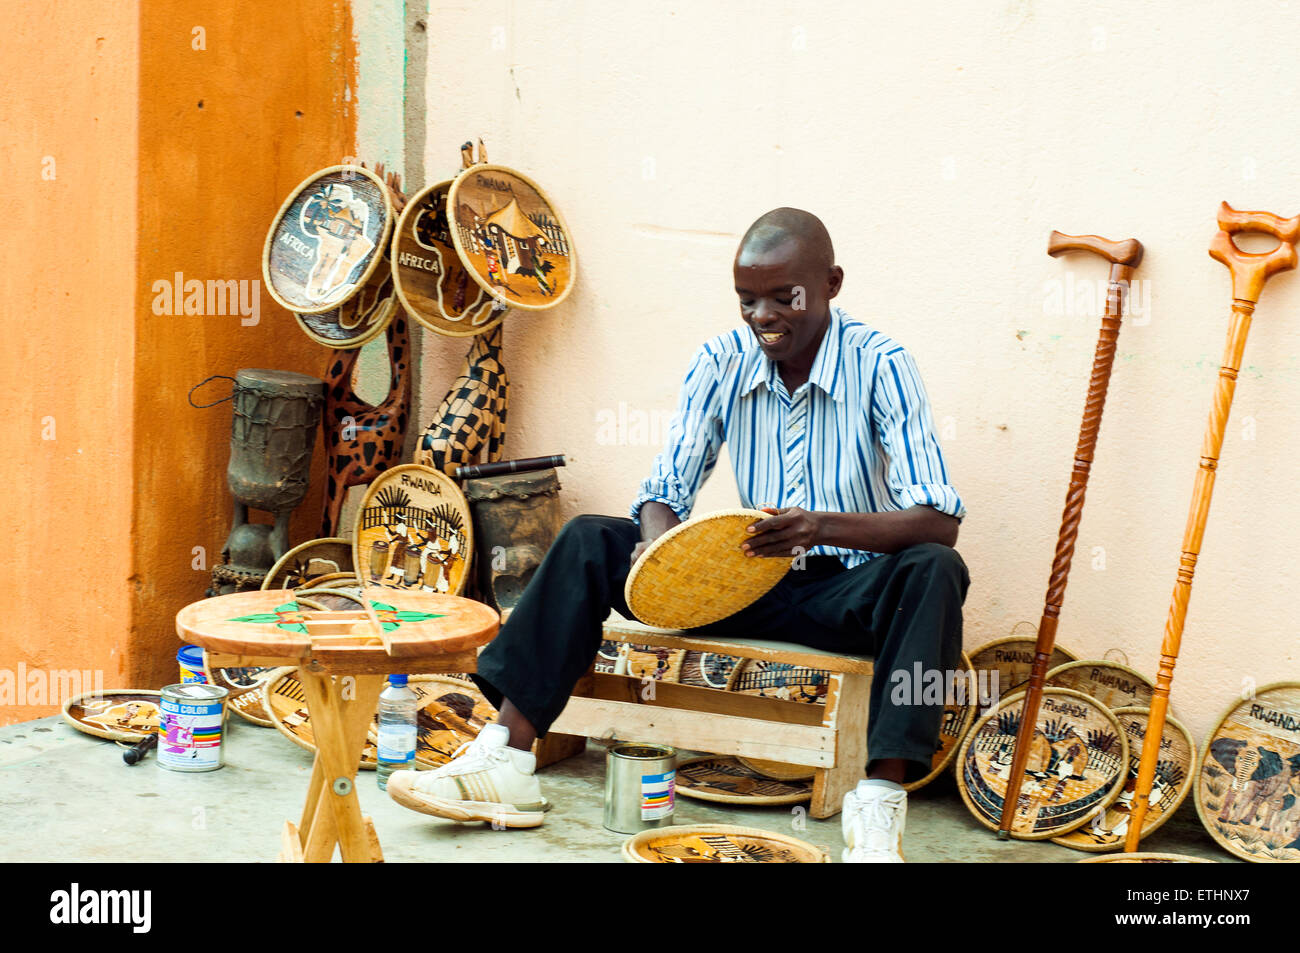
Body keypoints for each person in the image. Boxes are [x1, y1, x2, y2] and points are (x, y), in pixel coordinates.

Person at [386, 207, 970, 863]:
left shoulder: (882, 364)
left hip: (845, 598)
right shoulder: (721, 360)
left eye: (785, 297)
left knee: (933, 570)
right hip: (736, 582)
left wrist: (818, 526)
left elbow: (938, 519)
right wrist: (659, 545)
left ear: (831, 283)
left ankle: (878, 808)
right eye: (748, 300)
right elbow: (665, 490)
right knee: (588, 539)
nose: (764, 316)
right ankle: (505, 759)